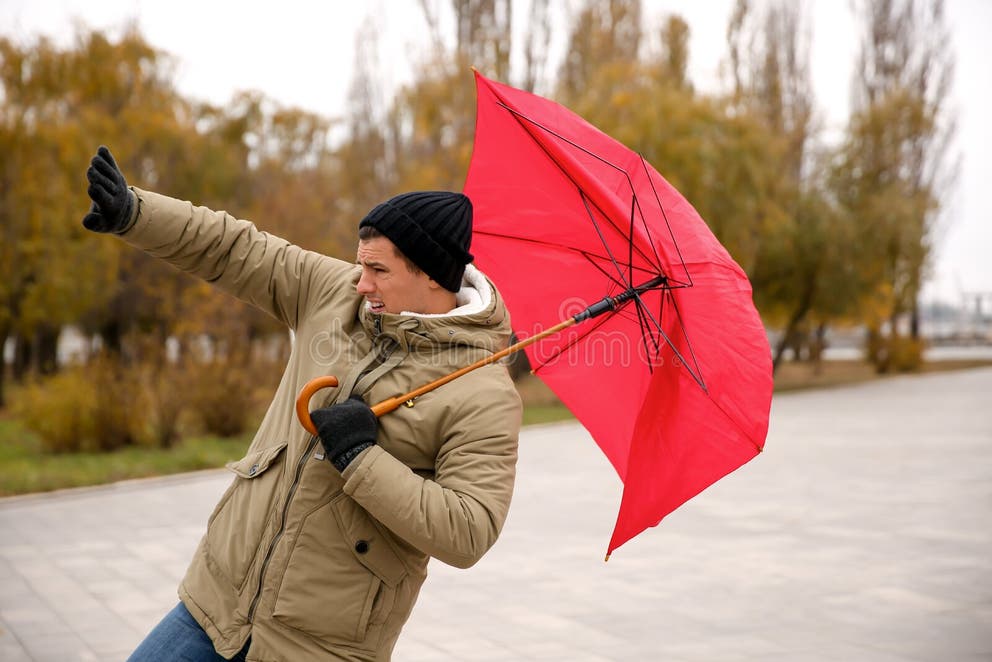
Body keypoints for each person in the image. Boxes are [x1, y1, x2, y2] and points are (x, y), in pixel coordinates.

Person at [83, 146, 522, 661]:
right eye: (361, 266)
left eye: (378, 270)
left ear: (431, 275)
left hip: (321, 645)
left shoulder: (483, 390)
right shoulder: (333, 293)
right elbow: (234, 248)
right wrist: (135, 213)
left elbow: (468, 531)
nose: (361, 284)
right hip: (216, 601)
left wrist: (361, 458)